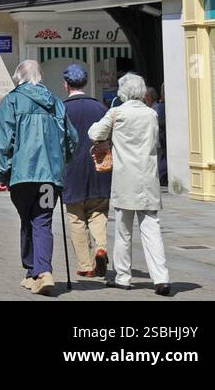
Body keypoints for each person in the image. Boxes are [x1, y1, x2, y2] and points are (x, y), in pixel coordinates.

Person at [0, 59, 76, 296]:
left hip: (22, 174)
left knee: (27, 218)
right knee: (42, 220)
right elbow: (72, 138)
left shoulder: (12, 101)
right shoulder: (56, 103)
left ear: (19, 77)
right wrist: (63, 161)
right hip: (49, 175)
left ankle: (39, 270)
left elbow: (3, 141)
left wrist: (2, 171)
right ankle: (35, 271)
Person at [89, 73, 170, 295]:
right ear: (143, 92)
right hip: (148, 177)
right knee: (151, 228)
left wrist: (110, 139)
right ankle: (161, 278)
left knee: (123, 230)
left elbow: (95, 132)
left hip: (125, 177)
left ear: (122, 92)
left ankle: (123, 276)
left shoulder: (117, 112)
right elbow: (154, 142)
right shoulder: (151, 114)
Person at [61, 64, 111, 278]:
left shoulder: (62, 109)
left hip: (72, 172)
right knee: (98, 213)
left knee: (76, 217)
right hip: (99, 169)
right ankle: (101, 248)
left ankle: (85, 264)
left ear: (66, 85)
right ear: (86, 83)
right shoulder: (100, 108)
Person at [145, 86, 168, 187]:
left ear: (151, 97)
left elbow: (159, 124)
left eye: (146, 96)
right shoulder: (149, 108)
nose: (145, 98)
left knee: (160, 157)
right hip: (153, 139)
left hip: (158, 138)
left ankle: (160, 176)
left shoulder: (156, 108)